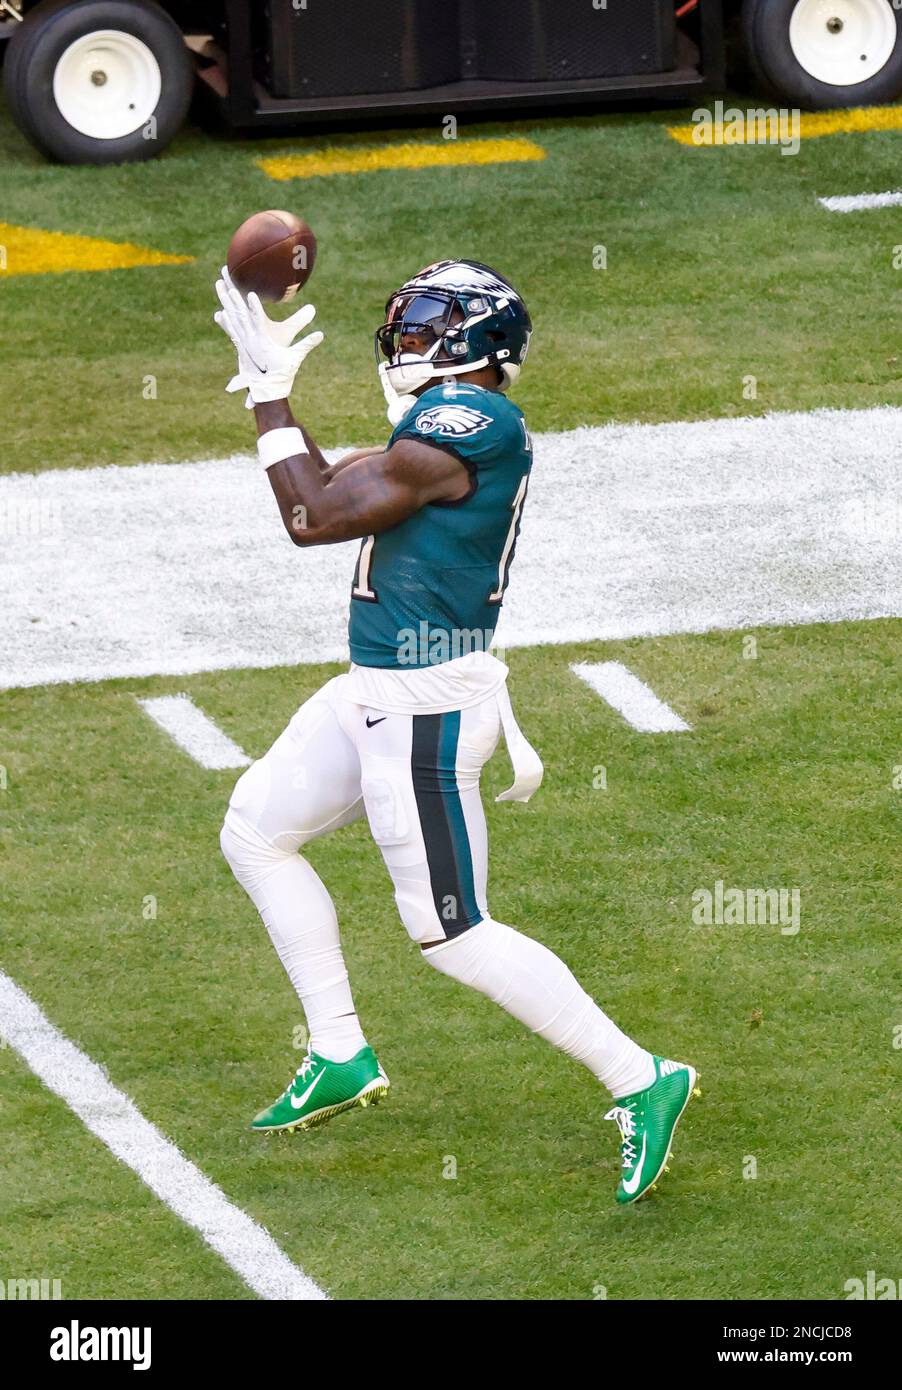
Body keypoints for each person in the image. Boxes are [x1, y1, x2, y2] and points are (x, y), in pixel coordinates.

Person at [214, 258, 698, 1203]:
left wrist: (273, 403)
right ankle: (340, 1048)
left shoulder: (469, 422)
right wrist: (274, 401)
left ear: (476, 342)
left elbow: (312, 515)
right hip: (378, 691)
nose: (404, 339)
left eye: (426, 325)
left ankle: (643, 1078)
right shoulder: (438, 424)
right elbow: (331, 482)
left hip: (424, 711)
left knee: (455, 936)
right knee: (255, 831)